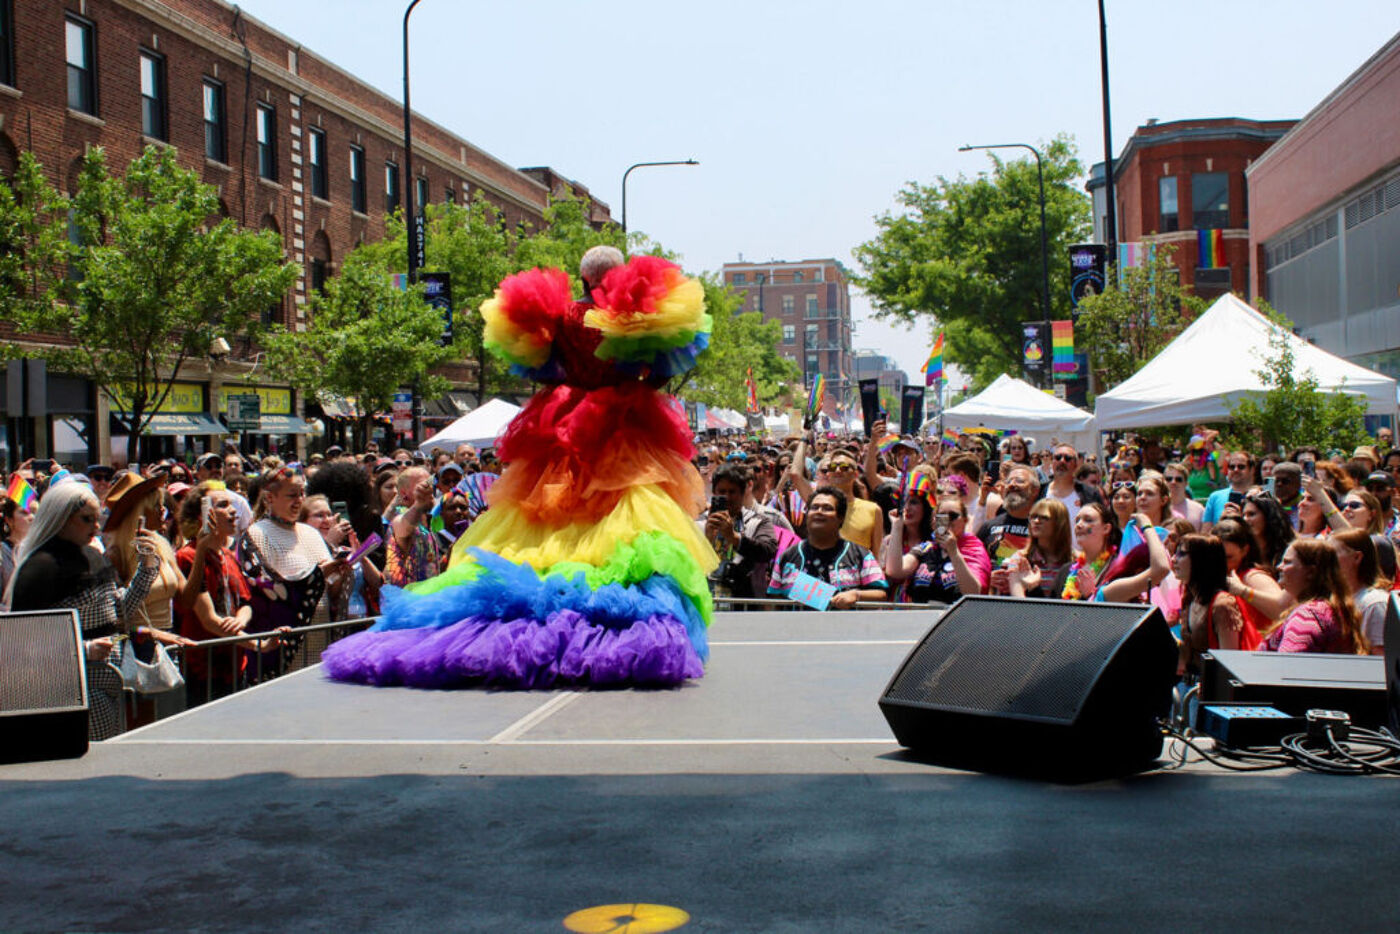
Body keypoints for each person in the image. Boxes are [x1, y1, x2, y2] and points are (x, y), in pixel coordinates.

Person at [325, 249, 717, 688]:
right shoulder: (635, 316)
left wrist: (574, 386)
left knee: (542, 524)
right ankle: (614, 636)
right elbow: (661, 371)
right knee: (627, 525)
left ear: (583, 278)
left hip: (563, 425)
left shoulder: (564, 316)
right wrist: (630, 389)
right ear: (617, 275)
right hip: (624, 431)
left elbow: (543, 371)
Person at [4, 483, 191, 739]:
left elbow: (118, 612)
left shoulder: (93, 556)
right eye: (86, 519)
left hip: (112, 683)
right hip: (71, 689)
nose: (96, 527)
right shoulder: (40, 568)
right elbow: (25, 639)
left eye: (96, 518)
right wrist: (83, 650)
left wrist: (147, 568)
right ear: (61, 518)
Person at [175, 483, 253, 702]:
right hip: (204, 671)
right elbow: (209, 620)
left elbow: (246, 602)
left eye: (232, 504)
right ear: (203, 514)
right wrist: (259, 644)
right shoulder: (188, 556)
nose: (233, 511)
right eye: (223, 505)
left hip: (237, 665)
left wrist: (240, 620)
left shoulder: (229, 555)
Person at [771, 487, 887, 607]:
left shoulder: (860, 554)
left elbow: (881, 595)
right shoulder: (788, 556)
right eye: (814, 507)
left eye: (827, 508)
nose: (819, 512)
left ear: (841, 517)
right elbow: (773, 599)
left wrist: (856, 595)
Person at [1173, 533, 1256, 677]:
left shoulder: (1223, 604)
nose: (1174, 559)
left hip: (1209, 691)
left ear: (1201, 560)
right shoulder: (1190, 597)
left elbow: (1229, 662)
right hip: (1188, 686)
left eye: (1181, 553)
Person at [1263, 539, 1366, 654]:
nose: (1278, 567)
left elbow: (1288, 663)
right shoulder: (1330, 610)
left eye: (1287, 562)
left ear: (1311, 572)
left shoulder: (1307, 616)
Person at [885, 495, 989, 604]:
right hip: (923, 617)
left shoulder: (973, 547)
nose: (947, 520)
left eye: (953, 516)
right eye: (942, 516)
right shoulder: (927, 548)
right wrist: (897, 526)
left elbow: (974, 592)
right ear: (934, 521)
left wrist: (953, 552)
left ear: (965, 520)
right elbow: (895, 571)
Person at [704, 463, 778, 600]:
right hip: (706, 600)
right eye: (722, 492)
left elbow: (769, 550)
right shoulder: (699, 523)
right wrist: (705, 539)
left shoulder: (758, 521)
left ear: (743, 493)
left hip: (744, 603)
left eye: (732, 492)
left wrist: (734, 538)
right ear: (714, 493)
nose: (727, 497)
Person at [1215, 517, 1287, 637]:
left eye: (1229, 557)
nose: (1221, 563)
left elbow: (1282, 611)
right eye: (1216, 556)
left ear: (1244, 551)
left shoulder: (1253, 577)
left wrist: (1244, 591)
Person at [1331, 528, 1388, 657]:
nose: (1325, 561)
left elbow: (1382, 664)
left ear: (1357, 557)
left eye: (1332, 555)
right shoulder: (1333, 599)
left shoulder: (1375, 604)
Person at [1003, 498, 1073, 599]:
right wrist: (1030, 586)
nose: (1036, 521)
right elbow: (1017, 602)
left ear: (1060, 522)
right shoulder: (1021, 559)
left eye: (1044, 517)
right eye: (1033, 517)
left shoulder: (1075, 561)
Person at [978, 464, 1039, 567]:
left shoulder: (1045, 528)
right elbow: (976, 565)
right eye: (1008, 481)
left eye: (1019, 481)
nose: (1011, 485)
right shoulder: (988, 527)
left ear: (1034, 490)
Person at [1042, 444, 1102, 545]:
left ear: (1076, 465)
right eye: (1057, 457)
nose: (1062, 461)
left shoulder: (1090, 494)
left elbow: (1100, 525)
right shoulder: (1040, 492)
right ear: (1052, 463)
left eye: (1068, 458)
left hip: (1081, 558)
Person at [1242, 492, 1295, 572]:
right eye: (1243, 515)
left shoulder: (1290, 550)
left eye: (1251, 514)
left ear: (1268, 517)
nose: (1245, 519)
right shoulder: (1242, 553)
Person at [0, 496, 34, 612]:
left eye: (34, 512)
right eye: (24, 513)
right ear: (9, 520)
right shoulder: (2, 552)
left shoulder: (42, 550)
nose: (31, 517)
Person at [1163, 461, 1205, 529]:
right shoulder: (1156, 507)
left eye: (1178, 479)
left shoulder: (1199, 509)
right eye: (1169, 479)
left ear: (1186, 483)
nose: (1173, 482)